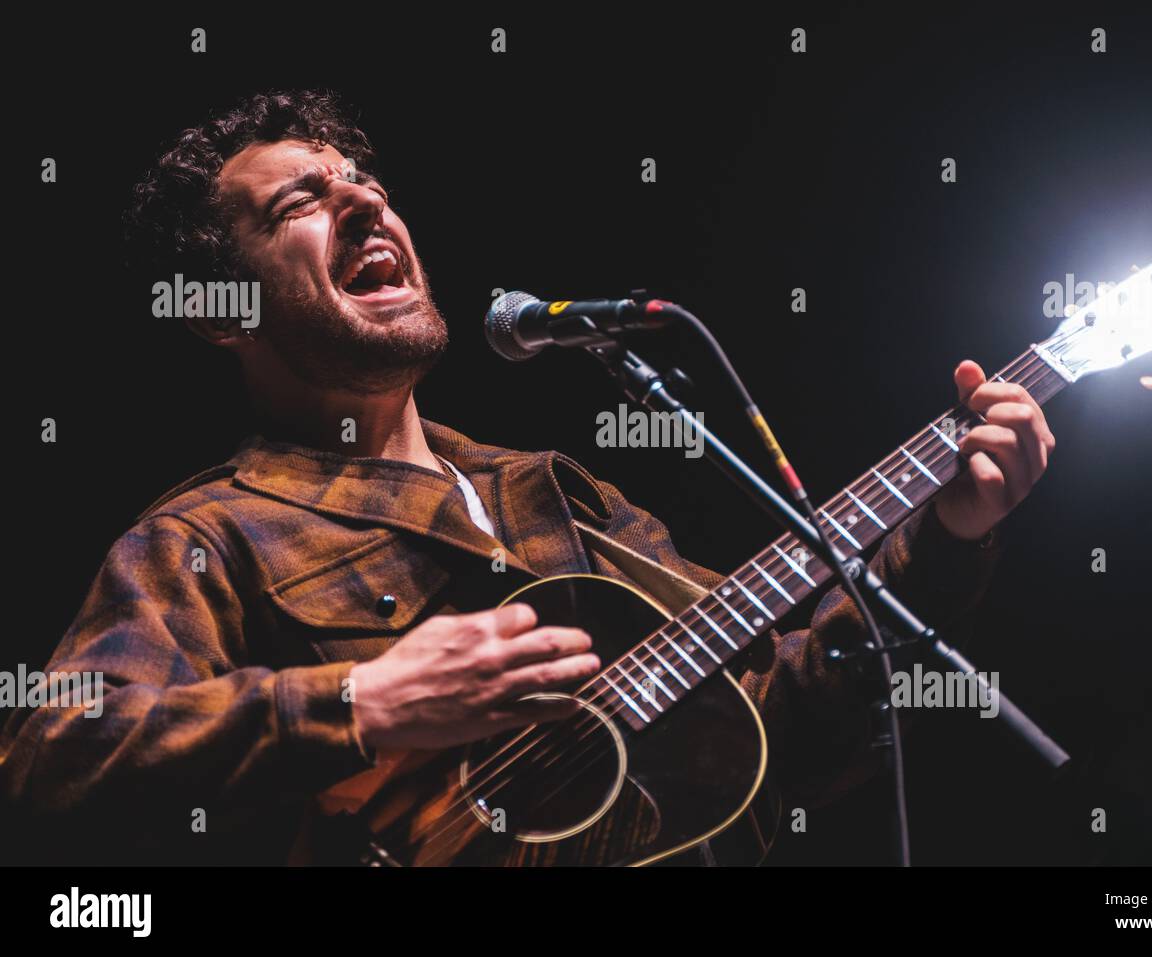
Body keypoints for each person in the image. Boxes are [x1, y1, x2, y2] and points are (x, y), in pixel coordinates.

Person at [0, 91, 1055, 864]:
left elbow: (780, 720)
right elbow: (53, 762)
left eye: (368, 184)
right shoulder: (207, 534)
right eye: (302, 205)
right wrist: (364, 701)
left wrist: (943, 539)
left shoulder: (557, 492)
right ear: (225, 312)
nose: (365, 205)